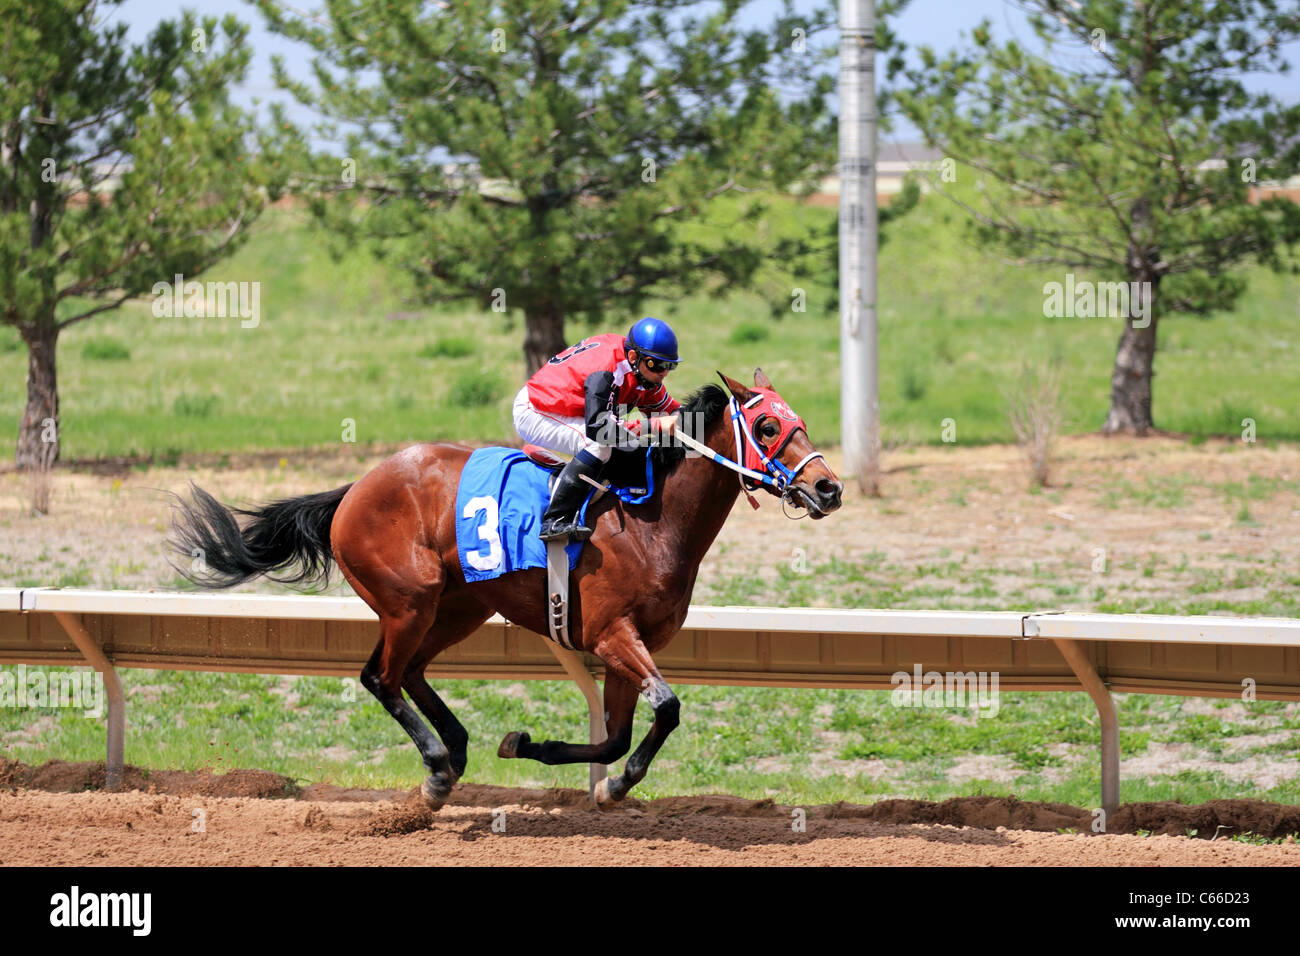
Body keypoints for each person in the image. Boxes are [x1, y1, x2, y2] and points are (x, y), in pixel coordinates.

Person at [513, 317, 681, 541]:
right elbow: (599, 429)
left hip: (572, 410)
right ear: (634, 357)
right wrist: (654, 425)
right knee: (599, 446)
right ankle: (555, 520)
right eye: (657, 365)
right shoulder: (607, 371)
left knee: (628, 444)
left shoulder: (642, 372)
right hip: (535, 410)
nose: (663, 373)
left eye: (670, 366)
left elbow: (674, 414)